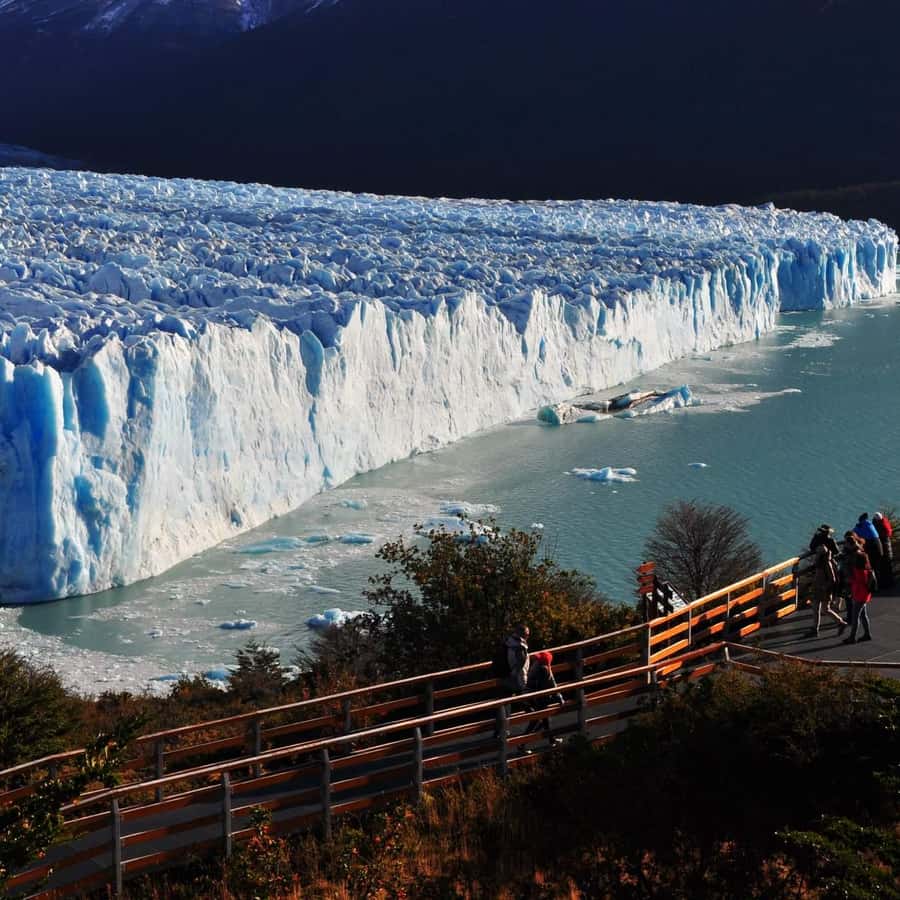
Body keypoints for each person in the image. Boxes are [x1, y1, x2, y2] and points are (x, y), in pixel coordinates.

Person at [522, 650, 562, 748]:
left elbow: (551, 683)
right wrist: (558, 698)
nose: (536, 660)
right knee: (537, 721)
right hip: (538, 698)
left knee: (545, 720)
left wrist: (558, 696)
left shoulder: (539, 667)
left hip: (535, 698)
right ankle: (521, 743)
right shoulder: (543, 669)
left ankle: (552, 740)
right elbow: (549, 685)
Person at [808, 542, 846, 637]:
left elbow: (832, 578)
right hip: (818, 588)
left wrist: (825, 586)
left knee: (824, 609)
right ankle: (815, 629)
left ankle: (840, 623)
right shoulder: (820, 562)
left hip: (823, 590)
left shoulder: (826, 563)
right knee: (817, 608)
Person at [843, 551, 874, 644]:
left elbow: (851, 580)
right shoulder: (867, 569)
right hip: (864, 594)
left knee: (855, 617)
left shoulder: (857, 571)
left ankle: (852, 637)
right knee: (863, 615)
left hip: (859, 595)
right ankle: (867, 634)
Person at [853, 513, 883, 582]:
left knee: (870, 567)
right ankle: (879, 583)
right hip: (877, 546)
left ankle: (872, 584)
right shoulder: (870, 525)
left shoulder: (859, 526)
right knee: (877, 566)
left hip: (868, 547)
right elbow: (875, 537)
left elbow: (852, 534)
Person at [873, 512, 894, 588]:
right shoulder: (885, 523)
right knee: (888, 567)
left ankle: (884, 584)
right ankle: (890, 583)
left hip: (883, 549)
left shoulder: (879, 526)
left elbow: (876, 535)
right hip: (888, 549)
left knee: (883, 567)